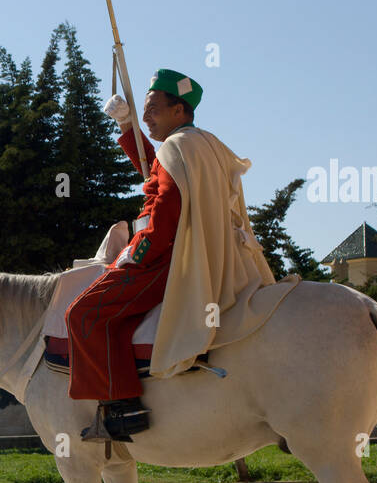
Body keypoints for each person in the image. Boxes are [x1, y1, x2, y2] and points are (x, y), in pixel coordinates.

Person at [65, 69, 273, 440]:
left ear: (179, 110)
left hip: (163, 260)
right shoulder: (200, 143)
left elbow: (166, 210)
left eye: (153, 110)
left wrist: (136, 255)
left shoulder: (179, 147)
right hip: (190, 253)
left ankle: (122, 408)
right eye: (144, 111)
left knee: (85, 314)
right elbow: (156, 172)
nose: (148, 117)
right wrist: (128, 125)